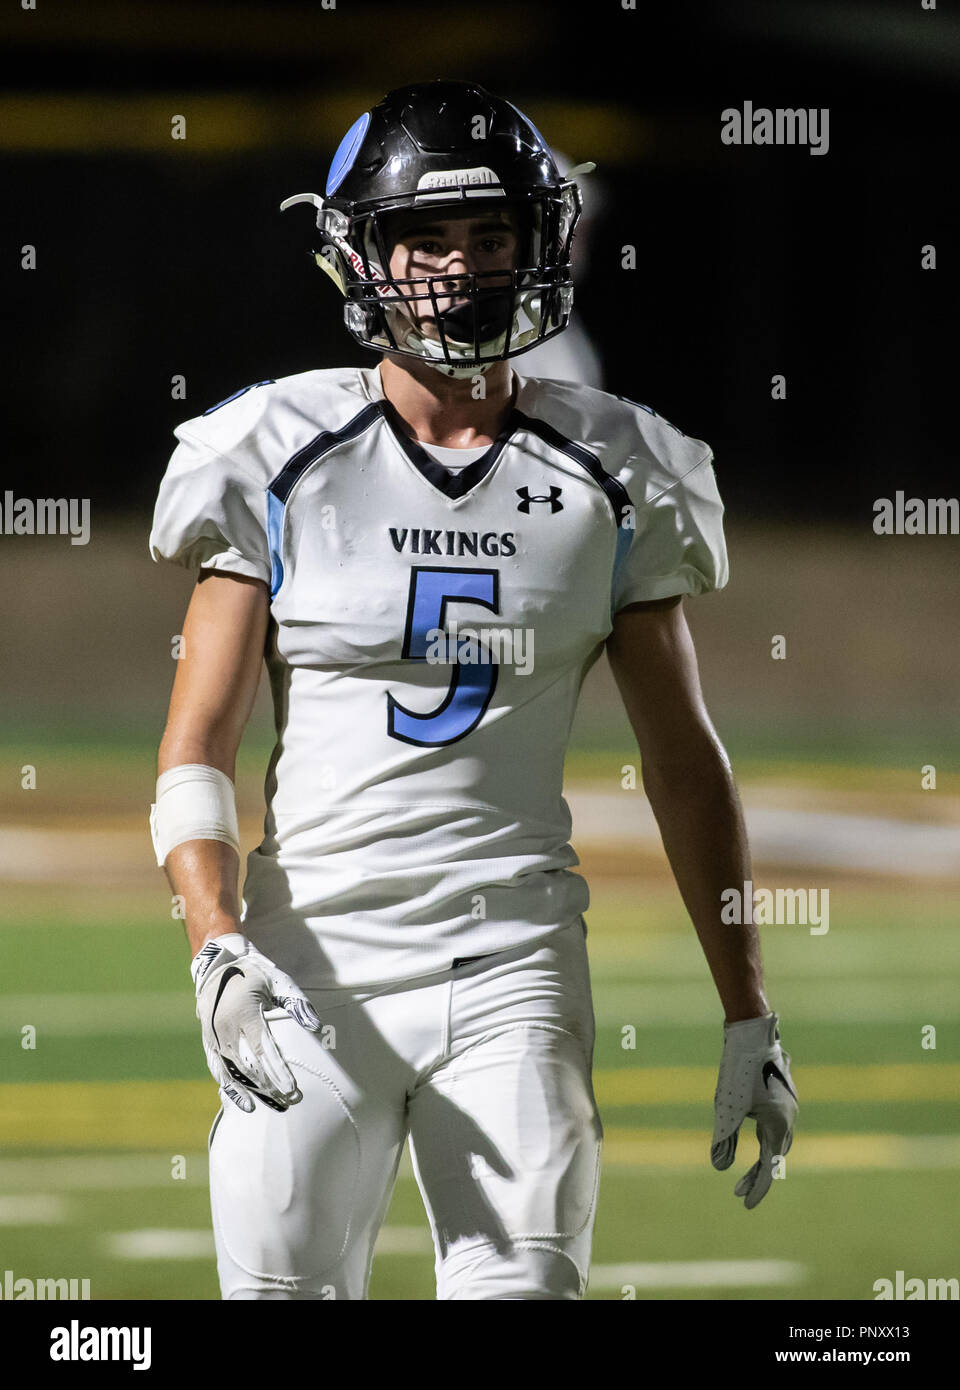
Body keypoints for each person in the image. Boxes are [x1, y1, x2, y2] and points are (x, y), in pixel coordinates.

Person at [148, 79, 797, 1302]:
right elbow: (198, 748)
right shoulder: (274, 455)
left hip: (514, 964)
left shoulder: (618, 466)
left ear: (539, 245)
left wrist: (747, 1003)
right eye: (427, 239)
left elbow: (684, 761)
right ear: (366, 256)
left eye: (490, 236)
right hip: (310, 962)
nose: (461, 267)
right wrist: (218, 950)